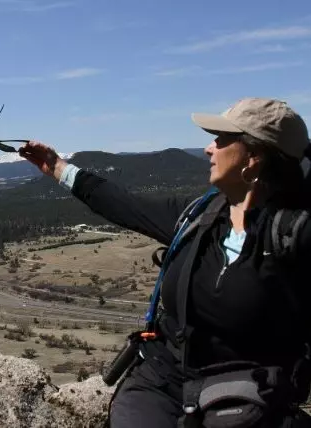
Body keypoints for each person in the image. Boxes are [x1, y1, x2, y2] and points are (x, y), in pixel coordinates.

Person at [19, 98, 311, 427]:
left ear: (254, 158)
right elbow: (124, 205)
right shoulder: (201, 216)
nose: (208, 149)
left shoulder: (296, 234)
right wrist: (57, 166)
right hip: (163, 380)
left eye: (221, 139)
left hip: (251, 393)